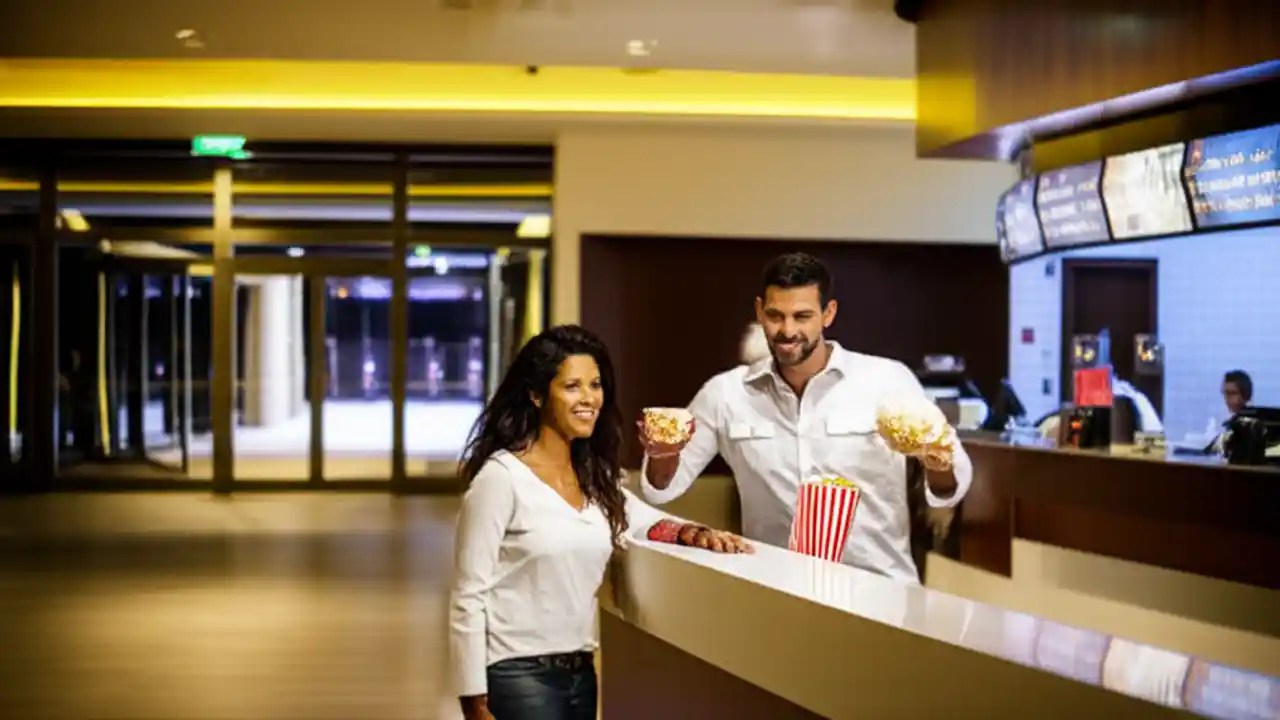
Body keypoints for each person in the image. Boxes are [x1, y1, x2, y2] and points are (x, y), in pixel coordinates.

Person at [449, 325, 750, 720]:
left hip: (581, 673)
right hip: (517, 674)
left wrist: (701, 535)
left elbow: (643, 522)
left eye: (595, 385)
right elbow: (468, 594)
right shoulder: (501, 478)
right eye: (572, 386)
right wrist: (472, 697)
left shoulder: (595, 480)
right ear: (537, 395)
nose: (589, 398)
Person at [638, 252, 973, 584]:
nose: (787, 330)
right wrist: (662, 454)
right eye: (775, 316)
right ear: (759, 311)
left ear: (828, 314)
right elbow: (661, 490)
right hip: (776, 590)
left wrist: (936, 461)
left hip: (880, 588)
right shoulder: (725, 394)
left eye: (802, 316)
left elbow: (950, 488)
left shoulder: (887, 380)